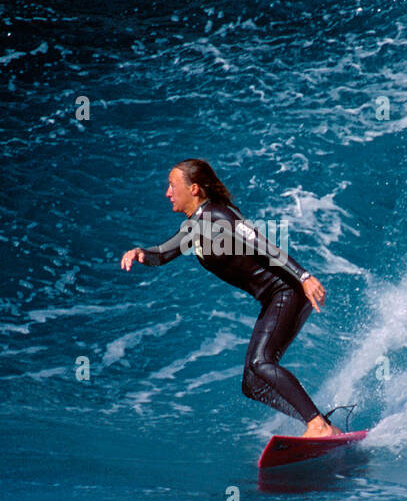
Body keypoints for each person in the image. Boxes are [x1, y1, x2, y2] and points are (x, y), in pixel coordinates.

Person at [120, 159, 341, 438]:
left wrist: (303, 276)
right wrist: (140, 252)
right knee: (252, 384)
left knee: (262, 362)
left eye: (173, 186)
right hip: (274, 298)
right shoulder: (194, 226)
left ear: (195, 189)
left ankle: (317, 425)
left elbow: (263, 244)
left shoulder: (218, 215)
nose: (167, 192)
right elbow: (162, 253)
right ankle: (321, 422)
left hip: (287, 291)